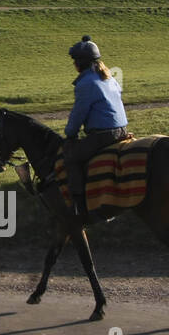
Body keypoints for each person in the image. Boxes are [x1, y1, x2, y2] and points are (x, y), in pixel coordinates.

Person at [61, 36, 130, 218]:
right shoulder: (109, 78)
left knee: (71, 157)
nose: (74, 64)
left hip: (103, 135)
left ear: (80, 63)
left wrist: (70, 135)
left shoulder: (86, 83)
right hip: (122, 130)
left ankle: (79, 205)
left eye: (75, 61)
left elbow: (78, 114)